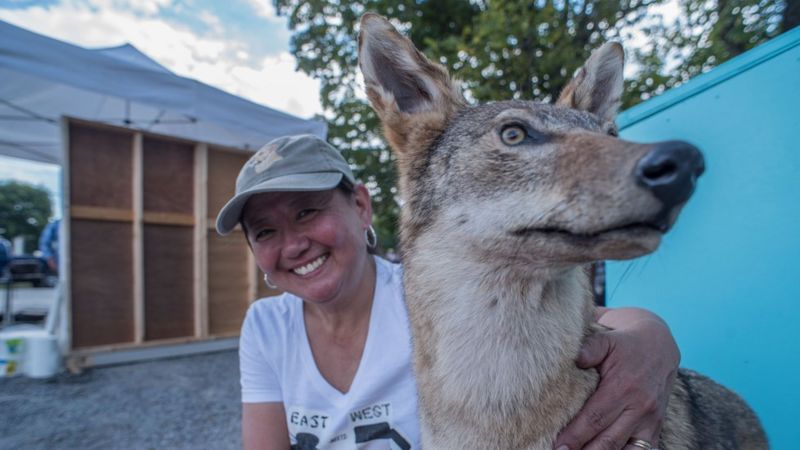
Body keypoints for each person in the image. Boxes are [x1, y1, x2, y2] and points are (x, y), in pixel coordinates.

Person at [216, 135, 680, 450]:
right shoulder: (265, 326)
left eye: (307, 212)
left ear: (360, 206)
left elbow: (602, 322)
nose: (293, 245)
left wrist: (654, 339)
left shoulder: (425, 293)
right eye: (265, 232)